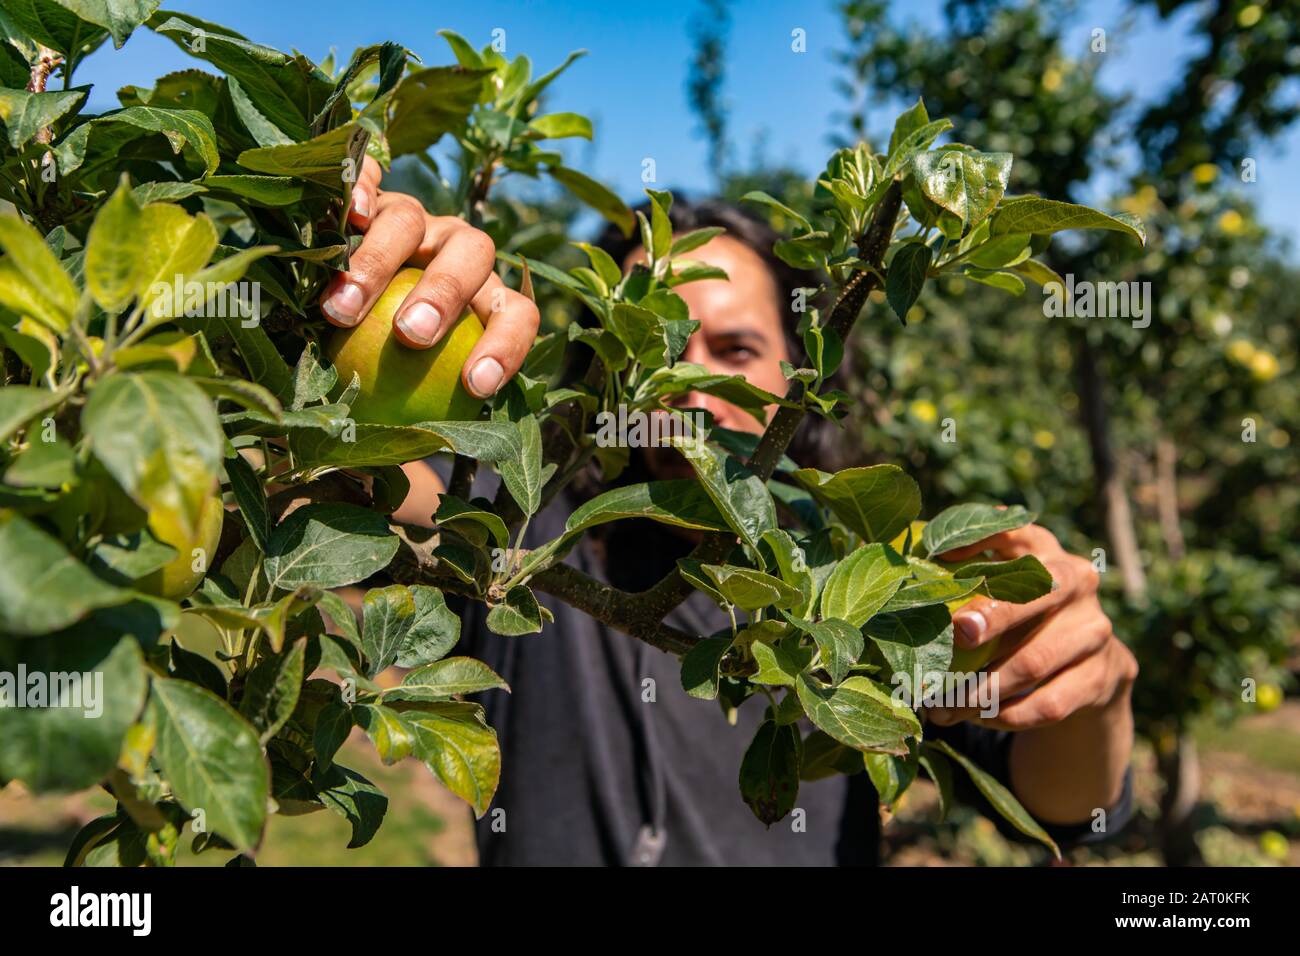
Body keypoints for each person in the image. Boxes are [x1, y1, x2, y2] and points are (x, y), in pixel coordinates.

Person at [322, 159, 1139, 865]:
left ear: (800, 375)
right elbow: (338, 479)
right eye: (658, 353)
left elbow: (1071, 805)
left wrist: (1089, 690)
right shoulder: (517, 527)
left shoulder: (862, 577)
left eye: (736, 351)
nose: (690, 387)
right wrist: (351, 292)